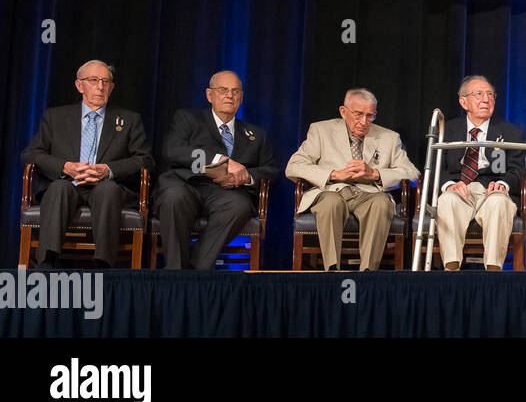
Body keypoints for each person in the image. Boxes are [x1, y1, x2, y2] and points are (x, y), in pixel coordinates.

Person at [21, 60, 154, 268]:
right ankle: (48, 260)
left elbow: (145, 159)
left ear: (111, 87)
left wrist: (108, 170)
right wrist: (66, 167)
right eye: (93, 80)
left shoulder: (129, 120)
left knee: (107, 189)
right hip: (68, 184)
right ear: (79, 85)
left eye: (105, 81)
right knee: (58, 188)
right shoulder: (55, 117)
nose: (100, 86)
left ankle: (103, 263)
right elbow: (31, 154)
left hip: (106, 187)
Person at [154, 71, 279, 269]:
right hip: (186, 183)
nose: (230, 95)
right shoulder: (188, 119)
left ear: (241, 97)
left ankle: (198, 265)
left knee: (240, 205)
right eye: (223, 90)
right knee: (173, 198)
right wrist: (221, 160)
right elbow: (174, 150)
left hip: (226, 192)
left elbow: (271, 170)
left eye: (235, 91)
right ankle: (175, 273)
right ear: (209, 94)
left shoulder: (256, 134)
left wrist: (245, 177)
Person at [286, 88, 419, 270]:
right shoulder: (320, 130)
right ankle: (332, 269)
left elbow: (412, 173)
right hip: (332, 191)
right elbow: (294, 166)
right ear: (343, 111)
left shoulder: (389, 137)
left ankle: (368, 271)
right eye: (358, 114)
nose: (364, 122)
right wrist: (333, 174)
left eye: (369, 116)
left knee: (381, 203)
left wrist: (375, 174)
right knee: (330, 203)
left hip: (370, 193)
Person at [435, 75, 526, 271]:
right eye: (478, 94)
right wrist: (448, 185)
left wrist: (505, 184)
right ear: (463, 101)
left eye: (490, 95)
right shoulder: (446, 130)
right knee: (447, 200)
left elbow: (518, 170)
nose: (486, 99)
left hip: (490, 192)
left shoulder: (511, 132)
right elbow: (435, 168)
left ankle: (493, 269)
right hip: (459, 190)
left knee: (499, 201)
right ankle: (451, 268)